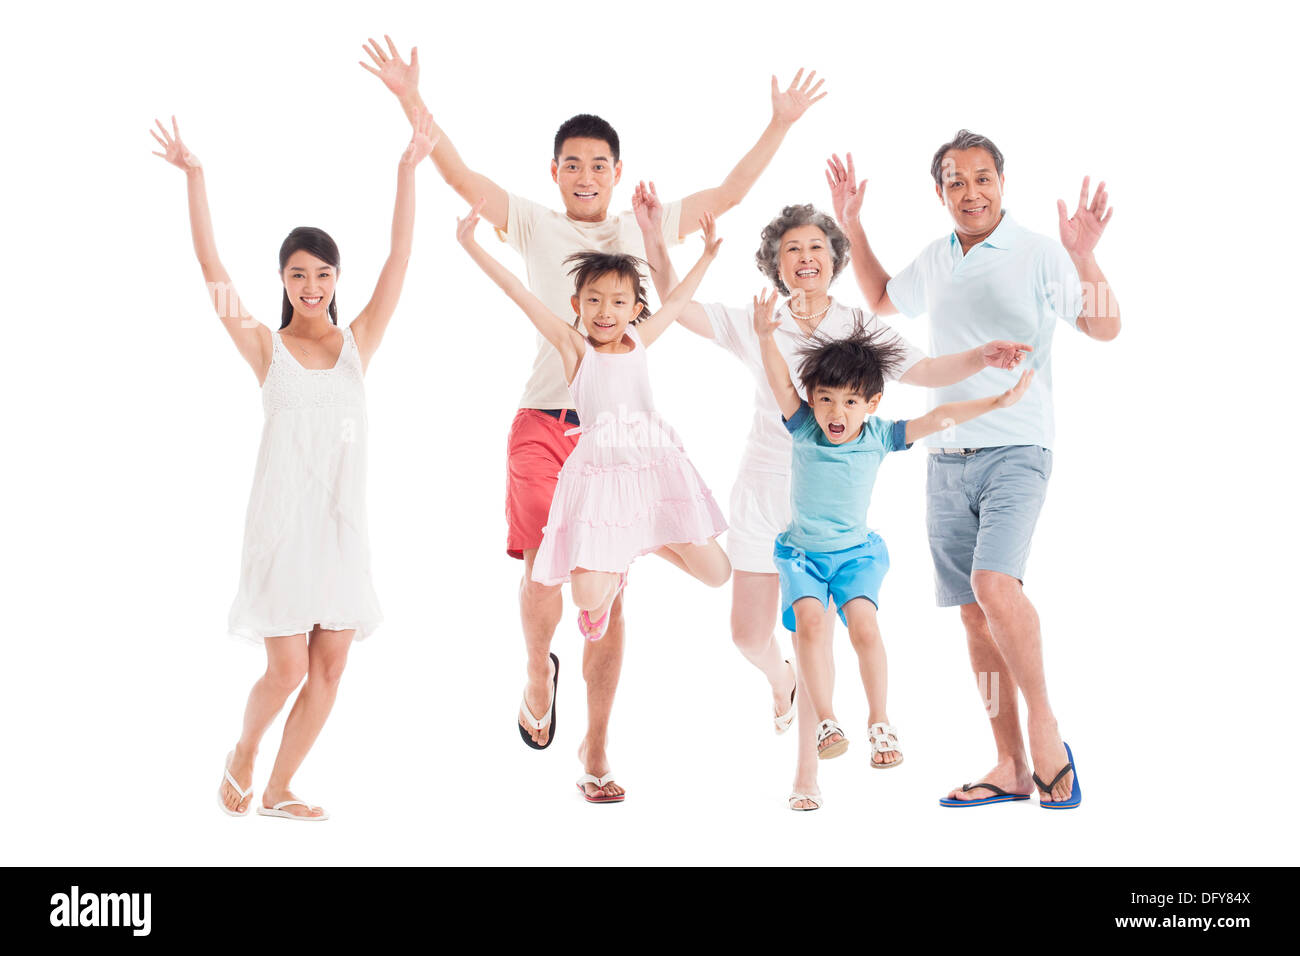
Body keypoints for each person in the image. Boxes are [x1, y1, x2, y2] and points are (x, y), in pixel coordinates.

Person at [360, 35, 827, 801]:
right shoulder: (535, 226)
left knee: (610, 594)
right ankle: (538, 673)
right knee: (551, 554)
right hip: (547, 421)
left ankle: (597, 750)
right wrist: (411, 98)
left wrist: (778, 123)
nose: (584, 175)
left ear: (617, 170)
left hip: (627, 443)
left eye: (598, 164)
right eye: (571, 163)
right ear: (554, 172)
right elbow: (459, 174)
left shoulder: (642, 225)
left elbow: (728, 196)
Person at [634, 184, 1031, 809]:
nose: (805, 257)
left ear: (833, 257)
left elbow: (924, 372)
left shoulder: (859, 328)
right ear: (775, 262)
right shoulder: (759, 318)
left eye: (817, 246)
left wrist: (983, 357)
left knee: (812, 627)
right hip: (763, 489)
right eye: (792, 249)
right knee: (747, 636)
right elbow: (676, 308)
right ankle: (783, 683)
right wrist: (656, 241)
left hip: (825, 512)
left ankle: (808, 774)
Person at [151, 111, 437, 820]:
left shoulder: (357, 342)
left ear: (337, 279)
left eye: (323, 274)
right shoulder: (263, 346)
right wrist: (196, 177)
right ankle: (243, 753)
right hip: (282, 529)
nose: (311, 285)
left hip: (340, 530)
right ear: (283, 279)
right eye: (298, 274)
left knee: (332, 665)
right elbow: (211, 271)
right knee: (284, 669)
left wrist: (407, 171)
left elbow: (400, 260)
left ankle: (279, 788)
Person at [826, 133, 1120, 809]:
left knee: (995, 584)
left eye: (981, 178)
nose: (970, 192)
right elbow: (879, 296)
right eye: (955, 182)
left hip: (1018, 445)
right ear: (940, 193)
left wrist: (1085, 256)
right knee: (973, 616)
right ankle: (1010, 765)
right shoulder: (938, 258)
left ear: (1002, 183)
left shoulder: (1039, 253)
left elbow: (1105, 326)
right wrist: (852, 223)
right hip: (946, 454)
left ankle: (1046, 733)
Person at [459, 205, 730, 798]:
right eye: (593, 301)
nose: (605, 312)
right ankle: (621, 554)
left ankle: (642, 537)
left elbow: (678, 300)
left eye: (618, 301)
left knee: (717, 574)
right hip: (602, 477)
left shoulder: (639, 339)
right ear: (576, 305)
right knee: (587, 599)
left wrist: (706, 256)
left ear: (636, 307)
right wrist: (472, 246)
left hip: (652, 469)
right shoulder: (573, 347)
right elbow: (514, 292)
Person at [755, 295, 1033, 808]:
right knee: (812, 627)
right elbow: (777, 380)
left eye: (851, 402)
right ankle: (828, 722)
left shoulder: (881, 435)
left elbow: (943, 414)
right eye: (827, 399)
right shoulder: (803, 428)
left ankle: (879, 721)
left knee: (864, 626)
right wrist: (766, 335)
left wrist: (995, 403)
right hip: (803, 558)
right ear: (811, 399)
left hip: (857, 555)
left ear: (872, 404)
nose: (838, 413)